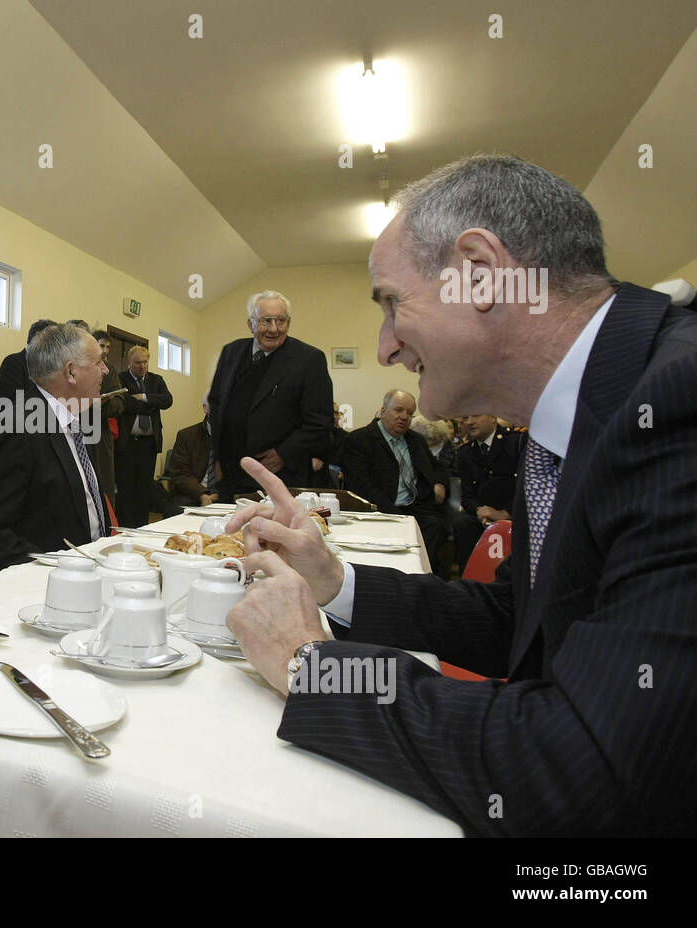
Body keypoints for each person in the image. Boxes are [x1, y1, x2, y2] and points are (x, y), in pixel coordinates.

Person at [222, 153, 697, 836]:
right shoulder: (578, 412)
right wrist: (335, 582)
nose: (385, 349)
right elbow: (520, 619)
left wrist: (313, 667)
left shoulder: (676, 406)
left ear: (479, 272)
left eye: (391, 304)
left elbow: (585, 774)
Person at [0, 324, 109, 568]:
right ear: (71, 372)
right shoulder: (13, 430)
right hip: (46, 587)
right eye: (99, 363)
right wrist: (56, 568)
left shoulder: (76, 422)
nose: (106, 370)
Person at [207, 290, 333, 494]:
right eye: (265, 321)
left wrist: (283, 454)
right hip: (231, 474)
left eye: (280, 320)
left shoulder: (309, 359)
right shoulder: (231, 352)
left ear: (288, 323)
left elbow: (320, 422)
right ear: (251, 324)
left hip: (279, 476)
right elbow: (216, 405)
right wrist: (218, 458)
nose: (274, 329)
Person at [339, 390, 448, 571]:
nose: (404, 417)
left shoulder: (416, 441)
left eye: (409, 413)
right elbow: (360, 486)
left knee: (435, 527)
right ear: (383, 411)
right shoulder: (360, 440)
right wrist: (395, 514)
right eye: (398, 410)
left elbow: (438, 467)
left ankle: (419, 578)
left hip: (416, 509)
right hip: (379, 510)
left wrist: (440, 483)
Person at [449, 414, 525, 566]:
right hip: (482, 517)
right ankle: (469, 581)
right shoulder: (466, 452)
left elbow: (526, 488)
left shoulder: (516, 442)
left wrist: (505, 513)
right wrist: (480, 511)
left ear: (493, 417)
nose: (469, 422)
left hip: (515, 513)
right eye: (465, 418)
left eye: (476, 416)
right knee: (463, 525)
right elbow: (467, 495)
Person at [114, 346, 172, 526]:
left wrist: (145, 397)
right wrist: (151, 404)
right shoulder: (120, 379)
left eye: (145, 362)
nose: (142, 366)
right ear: (129, 363)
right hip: (127, 444)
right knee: (126, 487)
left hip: (149, 444)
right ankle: (125, 526)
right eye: (138, 363)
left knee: (144, 487)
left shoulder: (156, 380)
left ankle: (142, 524)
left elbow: (167, 400)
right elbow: (125, 403)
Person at [89, 330, 125, 504]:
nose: (105, 350)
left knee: (104, 484)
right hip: (78, 428)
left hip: (101, 432)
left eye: (108, 347)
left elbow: (119, 402)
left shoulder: (110, 370)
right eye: (101, 345)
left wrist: (104, 404)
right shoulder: (83, 365)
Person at [166, 394, 218, 512]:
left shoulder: (235, 439)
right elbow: (179, 473)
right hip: (192, 493)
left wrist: (219, 494)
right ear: (205, 408)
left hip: (223, 495)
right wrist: (202, 494)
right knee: (175, 511)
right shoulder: (187, 436)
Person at [0, 318, 58, 402]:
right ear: (38, 340)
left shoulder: (51, 367)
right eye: (53, 343)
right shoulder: (12, 363)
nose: (56, 349)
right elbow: (11, 403)